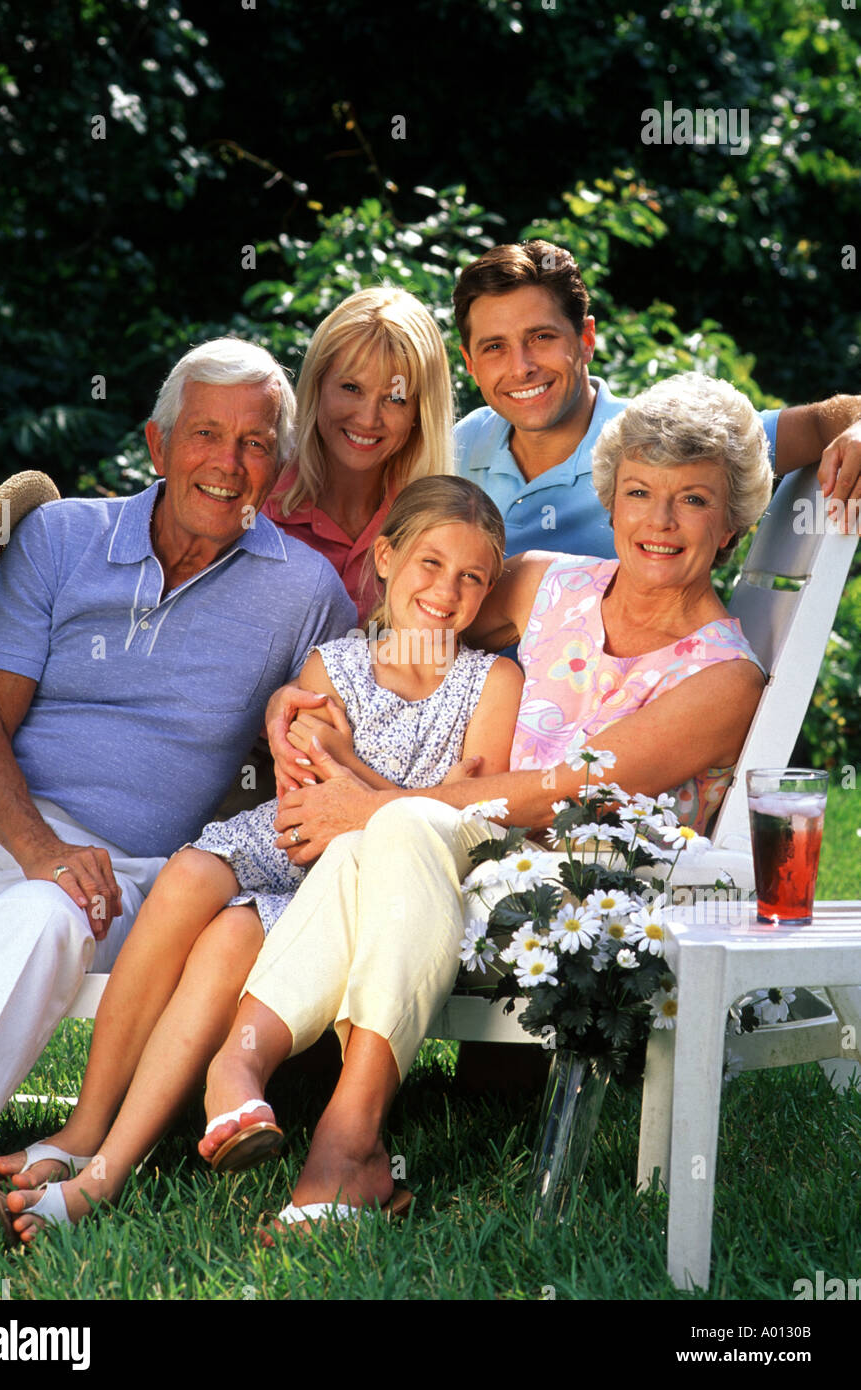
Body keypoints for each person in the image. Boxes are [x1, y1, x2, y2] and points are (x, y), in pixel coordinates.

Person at [189, 372, 775, 1230]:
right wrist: (304, 700)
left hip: (589, 879)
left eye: (692, 501)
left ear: (731, 525)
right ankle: (265, 1087)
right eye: (640, 492)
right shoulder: (547, 585)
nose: (659, 520)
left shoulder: (724, 678)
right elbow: (410, 629)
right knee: (374, 843)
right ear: (610, 499)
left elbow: (567, 790)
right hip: (454, 851)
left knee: (382, 834)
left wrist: (379, 804)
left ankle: (343, 1134)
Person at [0, 477, 524, 1240]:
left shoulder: (492, 681)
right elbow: (317, 801)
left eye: (474, 577)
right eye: (431, 564)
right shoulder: (332, 667)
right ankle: (84, 1126)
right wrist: (355, 774)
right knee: (187, 877)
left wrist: (350, 763)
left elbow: (449, 820)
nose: (447, 591)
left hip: (354, 887)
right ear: (385, 557)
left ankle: (110, 1167)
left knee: (227, 940)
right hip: (287, 844)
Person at [0, 337, 356, 1187]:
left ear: (278, 465)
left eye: (253, 443)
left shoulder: (306, 592)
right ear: (157, 445)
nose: (228, 463)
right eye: (205, 434)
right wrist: (39, 850)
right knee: (34, 890)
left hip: (128, 868)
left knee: (46, 919)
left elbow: (344, 732)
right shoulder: (60, 537)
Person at [452, 240, 861, 557]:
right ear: (469, 362)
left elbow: (820, 424)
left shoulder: (663, 438)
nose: (521, 367)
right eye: (494, 348)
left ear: (586, 340)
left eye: (541, 337)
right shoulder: (462, 444)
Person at [263, 286, 454, 623]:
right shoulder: (256, 500)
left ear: (420, 413)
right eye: (351, 388)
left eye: (395, 399)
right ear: (317, 385)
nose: (368, 418)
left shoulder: (441, 529)